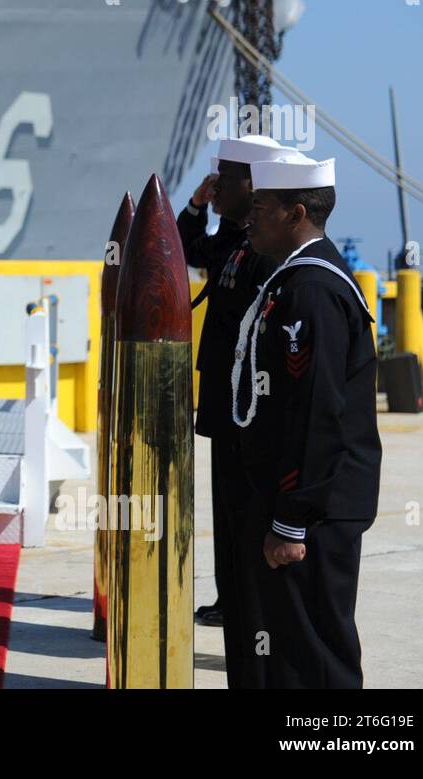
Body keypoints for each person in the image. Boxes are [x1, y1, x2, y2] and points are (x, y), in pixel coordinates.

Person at [232, 152, 381, 688]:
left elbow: (317, 415)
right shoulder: (297, 280)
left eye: (260, 206)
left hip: (315, 510)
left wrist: (291, 520)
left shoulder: (312, 291)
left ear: (295, 213)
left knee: (316, 655)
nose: (249, 217)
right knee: (294, 652)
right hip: (306, 502)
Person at [176, 134, 285, 686]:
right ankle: (233, 610)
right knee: (228, 529)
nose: (217, 185)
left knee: (249, 532)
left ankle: (255, 642)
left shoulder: (265, 251)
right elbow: (179, 249)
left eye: (226, 178)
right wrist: (196, 206)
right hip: (223, 413)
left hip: (250, 419)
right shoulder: (231, 244)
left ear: (253, 185)